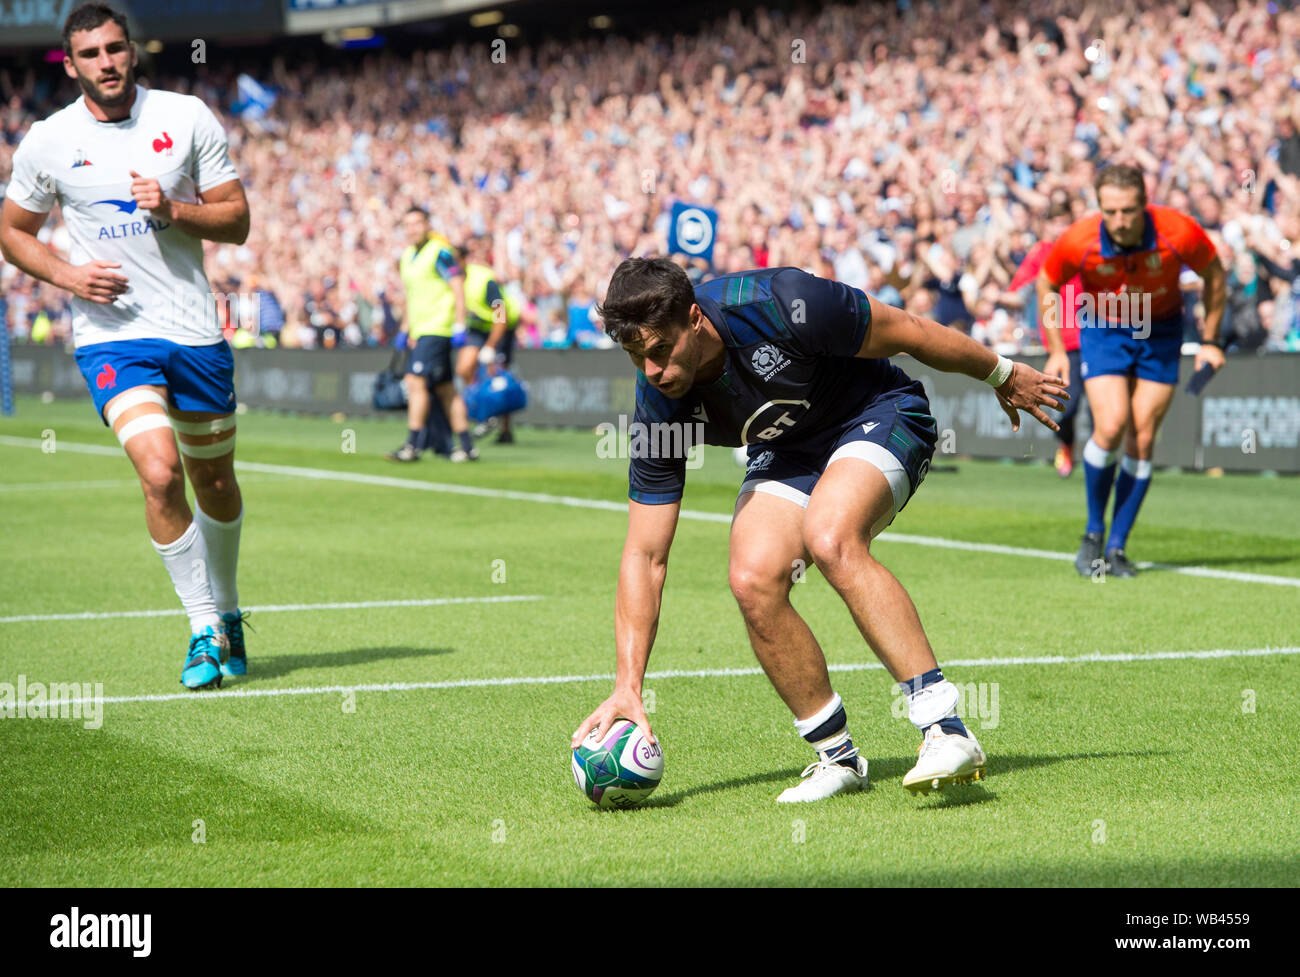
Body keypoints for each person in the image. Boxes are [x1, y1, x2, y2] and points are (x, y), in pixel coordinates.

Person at [571, 257, 1067, 801]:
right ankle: (838, 757)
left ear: (693, 319)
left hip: (879, 413)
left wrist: (1003, 372)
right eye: (635, 357)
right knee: (752, 577)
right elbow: (645, 555)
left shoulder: (779, 302)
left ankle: (946, 729)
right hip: (788, 448)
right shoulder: (659, 408)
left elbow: (910, 332)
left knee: (830, 536)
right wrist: (627, 684)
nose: (652, 371)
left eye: (660, 350)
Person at [0, 2, 252, 688]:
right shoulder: (48, 140)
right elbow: (13, 229)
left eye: (116, 49)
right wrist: (69, 275)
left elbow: (236, 220)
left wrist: (175, 209)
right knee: (160, 472)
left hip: (196, 329)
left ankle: (229, 610)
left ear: (131, 50)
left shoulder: (186, 116)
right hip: (114, 334)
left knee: (216, 482)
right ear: (70, 63)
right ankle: (202, 626)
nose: (106, 62)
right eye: (91, 54)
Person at [1037, 165, 1226, 579]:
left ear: (1146, 203)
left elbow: (1214, 273)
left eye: (1129, 210)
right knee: (1111, 424)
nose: (1120, 221)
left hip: (1160, 331)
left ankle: (1118, 546)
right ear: (1099, 207)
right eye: (1111, 211)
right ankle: (1093, 534)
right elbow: (1047, 282)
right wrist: (1055, 350)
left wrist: (1210, 338)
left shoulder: (1178, 231)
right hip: (1104, 328)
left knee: (1142, 435)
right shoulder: (1080, 239)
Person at [385, 207, 477, 462]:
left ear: (427, 224)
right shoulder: (406, 256)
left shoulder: (440, 252)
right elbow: (411, 298)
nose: (412, 229)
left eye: (417, 223)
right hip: (421, 328)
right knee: (445, 389)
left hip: (438, 328)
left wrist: (460, 324)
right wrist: (405, 329)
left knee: (415, 381)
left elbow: (457, 286)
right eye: (408, 224)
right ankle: (468, 447)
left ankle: (412, 446)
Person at [1004, 201, 1086, 476]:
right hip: (1064, 346)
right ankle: (1067, 447)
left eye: (1065, 221)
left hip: (1097, 337)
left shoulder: (1084, 248)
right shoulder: (1042, 253)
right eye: (1055, 221)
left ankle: (1105, 462)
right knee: (1068, 408)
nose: (1060, 227)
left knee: (1105, 409)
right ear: (1047, 226)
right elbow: (1020, 290)